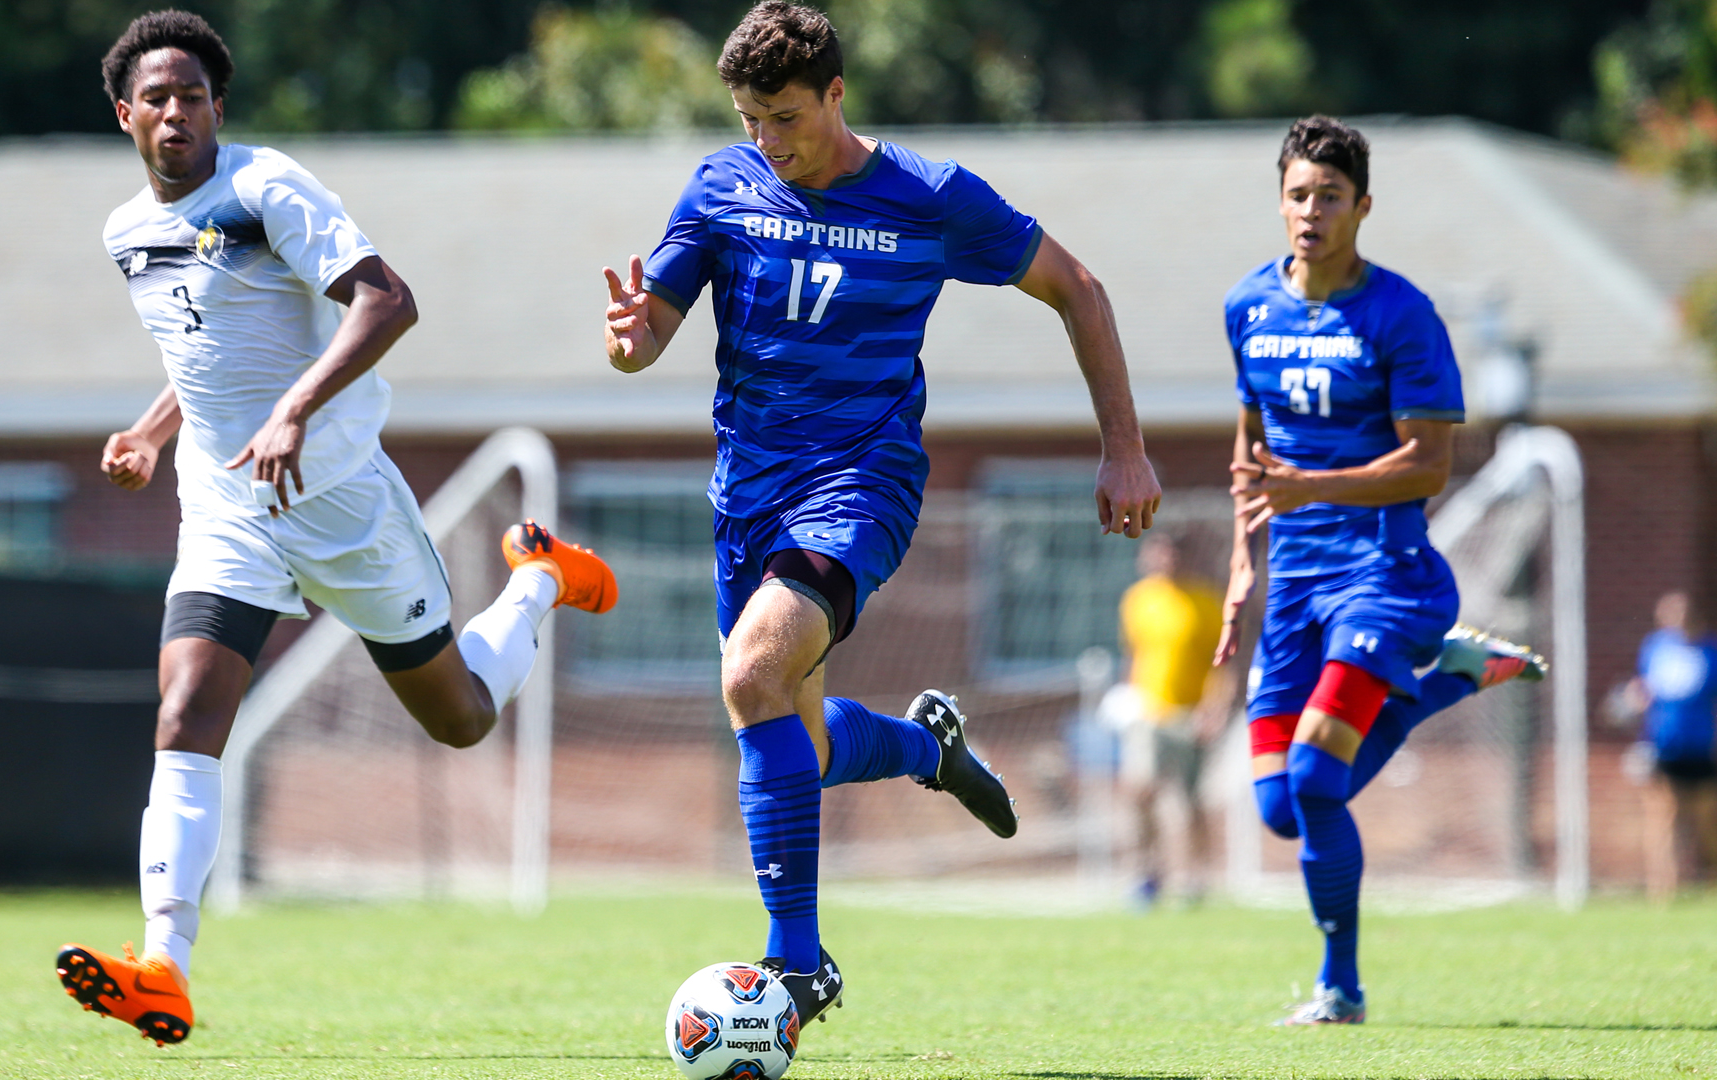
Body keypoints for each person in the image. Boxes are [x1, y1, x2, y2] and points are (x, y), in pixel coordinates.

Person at [53, 11, 616, 1046]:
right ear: (124, 113)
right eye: (156, 97)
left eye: (193, 95)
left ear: (218, 107)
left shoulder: (270, 190)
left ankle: (538, 579)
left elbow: (388, 300)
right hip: (228, 507)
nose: (175, 112)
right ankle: (163, 967)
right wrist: (148, 429)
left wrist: (297, 410)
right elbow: (209, 351)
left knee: (458, 718)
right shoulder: (124, 233)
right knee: (185, 713)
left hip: (342, 499)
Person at [600, 0, 1162, 1027]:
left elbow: (1078, 288)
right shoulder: (725, 186)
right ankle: (927, 749)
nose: (767, 140)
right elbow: (652, 330)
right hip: (748, 499)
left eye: (785, 117)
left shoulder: (930, 197)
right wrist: (634, 337)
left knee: (754, 673)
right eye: (749, 119)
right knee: (790, 736)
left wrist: (1123, 447)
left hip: (863, 480)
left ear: (835, 95)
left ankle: (797, 967)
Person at [1216, 116, 1547, 1025]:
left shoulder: (1400, 315)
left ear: (1363, 207)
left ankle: (1341, 990)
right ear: (1278, 203)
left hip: (1383, 575)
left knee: (1320, 784)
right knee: (1282, 811)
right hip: (1292, 587)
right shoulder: (1249, 306)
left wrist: (1305, 487)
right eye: (1296, 195)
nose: (1310, 212)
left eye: (1329, 196)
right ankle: (1444, 678)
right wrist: (1244, 567)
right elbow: (1253, 455)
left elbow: (1431, 464)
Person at [1113, 532, 1230, 909]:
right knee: (1140, 790)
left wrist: (1214, 710)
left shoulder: (1205, 600)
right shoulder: (1137, 599)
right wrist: (1125, 698)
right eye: (1156, 554)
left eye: (1170, 554)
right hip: (1148, 713)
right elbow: (1133, 655)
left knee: (1190, 801)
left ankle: (1196, 879)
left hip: (1192, 715)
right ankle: (1146, 875)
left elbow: (1223, 663)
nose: (1163, 561)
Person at [1616, 591, 1717, 901]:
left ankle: (1710, 882)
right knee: (1664, 817)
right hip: (1662, 744)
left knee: (1706, 819)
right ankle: (1663, 888)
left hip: (1702, 746)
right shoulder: (1655, 648)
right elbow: (1643, 689)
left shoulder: (1710, 650)